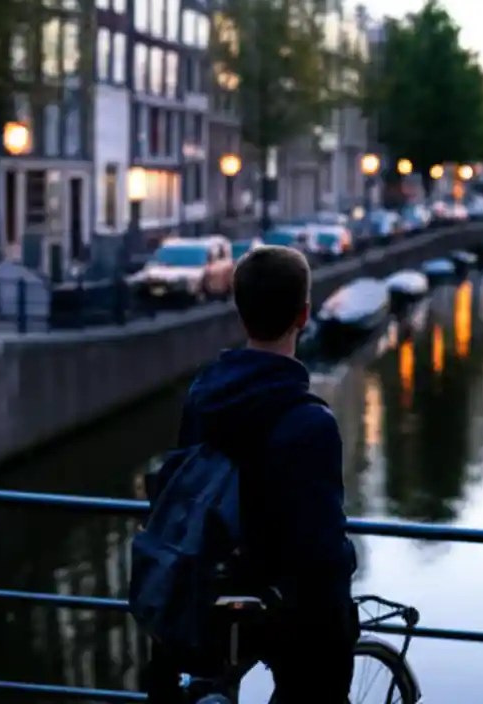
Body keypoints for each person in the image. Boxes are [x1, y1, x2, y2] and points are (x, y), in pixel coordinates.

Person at [146, 245, 358, 703]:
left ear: (240, 314)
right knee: (327, 649)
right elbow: (321, 547)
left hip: (208, 586)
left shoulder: (204, 393)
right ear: (304, 315)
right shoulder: (310, 422)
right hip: (277, 601)